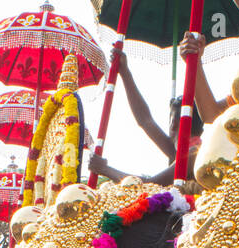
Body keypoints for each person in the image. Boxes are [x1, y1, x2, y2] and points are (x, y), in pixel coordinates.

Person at [87, 43, 206, 186]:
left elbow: (151, 185)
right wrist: (125, 72)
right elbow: (145, 120)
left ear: (173, 123)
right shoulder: (177, 150)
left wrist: (105, 169)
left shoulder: (193, 153)